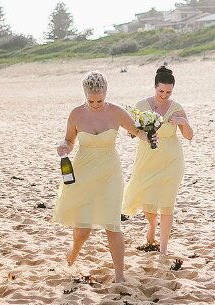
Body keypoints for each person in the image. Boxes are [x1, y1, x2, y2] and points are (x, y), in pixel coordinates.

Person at [54, 71, 148, 283]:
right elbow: (69, 141)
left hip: (110, 174)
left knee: (112, 224)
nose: (96, 104)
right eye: (91, 100)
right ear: (85, 95)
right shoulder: (76, 114)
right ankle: (73, 252)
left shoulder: (117, 112)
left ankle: (120, 276)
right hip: (84, 172)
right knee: (83, 231)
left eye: (100, 100)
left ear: (106, 93)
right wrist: (64, 148)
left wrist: (150, 135)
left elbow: (138, 133)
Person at [122, 65, 194, 255]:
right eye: (161, 91)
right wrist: (141, 133)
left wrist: (183, 123)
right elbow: (131, 132)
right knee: (147, 200)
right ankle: (152, 227)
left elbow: (189, 136)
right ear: (155, 87)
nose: (164, 95)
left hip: (171, 161)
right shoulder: (141, 106)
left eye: (168, 92)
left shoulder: (176, 108)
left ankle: (163, 249)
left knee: (167, 203)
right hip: (147, 160)